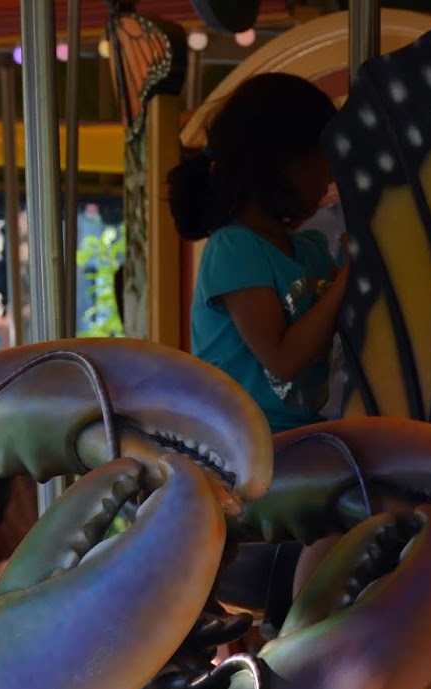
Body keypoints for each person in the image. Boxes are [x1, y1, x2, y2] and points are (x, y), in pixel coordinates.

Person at [168, 72, 347, 433]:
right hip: (240, 442)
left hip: (296, 431)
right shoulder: (233, 249)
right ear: (283, 163)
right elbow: (283, 358)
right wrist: (349, 278)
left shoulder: (308, 250)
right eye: (321, 157)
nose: (330, 175)